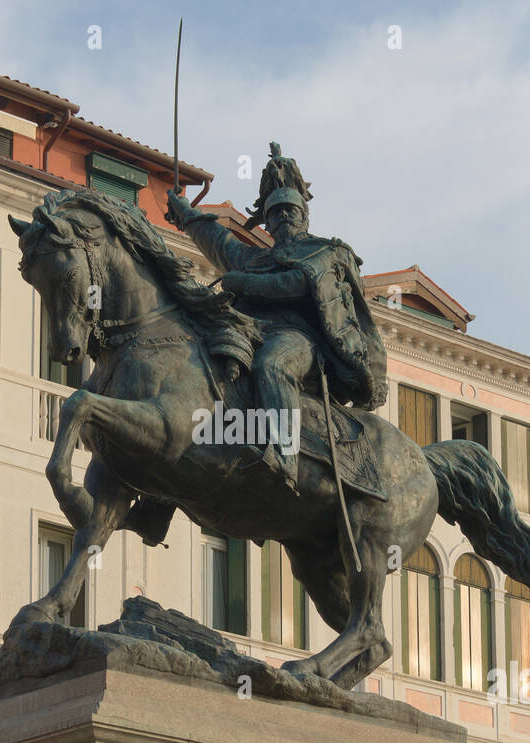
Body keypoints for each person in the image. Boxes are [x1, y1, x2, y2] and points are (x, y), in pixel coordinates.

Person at [166, 143, 387, 491]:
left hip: (302, 341)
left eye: (290, 210)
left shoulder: (324, 251)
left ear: (304, 215)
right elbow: (220, 242)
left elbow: (298, 284)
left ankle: (284, 455)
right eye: (276, 212)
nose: (283, 216)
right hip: (250, 333)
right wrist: (186, 215)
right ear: (266, 221)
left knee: (273, 365)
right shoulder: (255, 258)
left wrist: (244, 283)